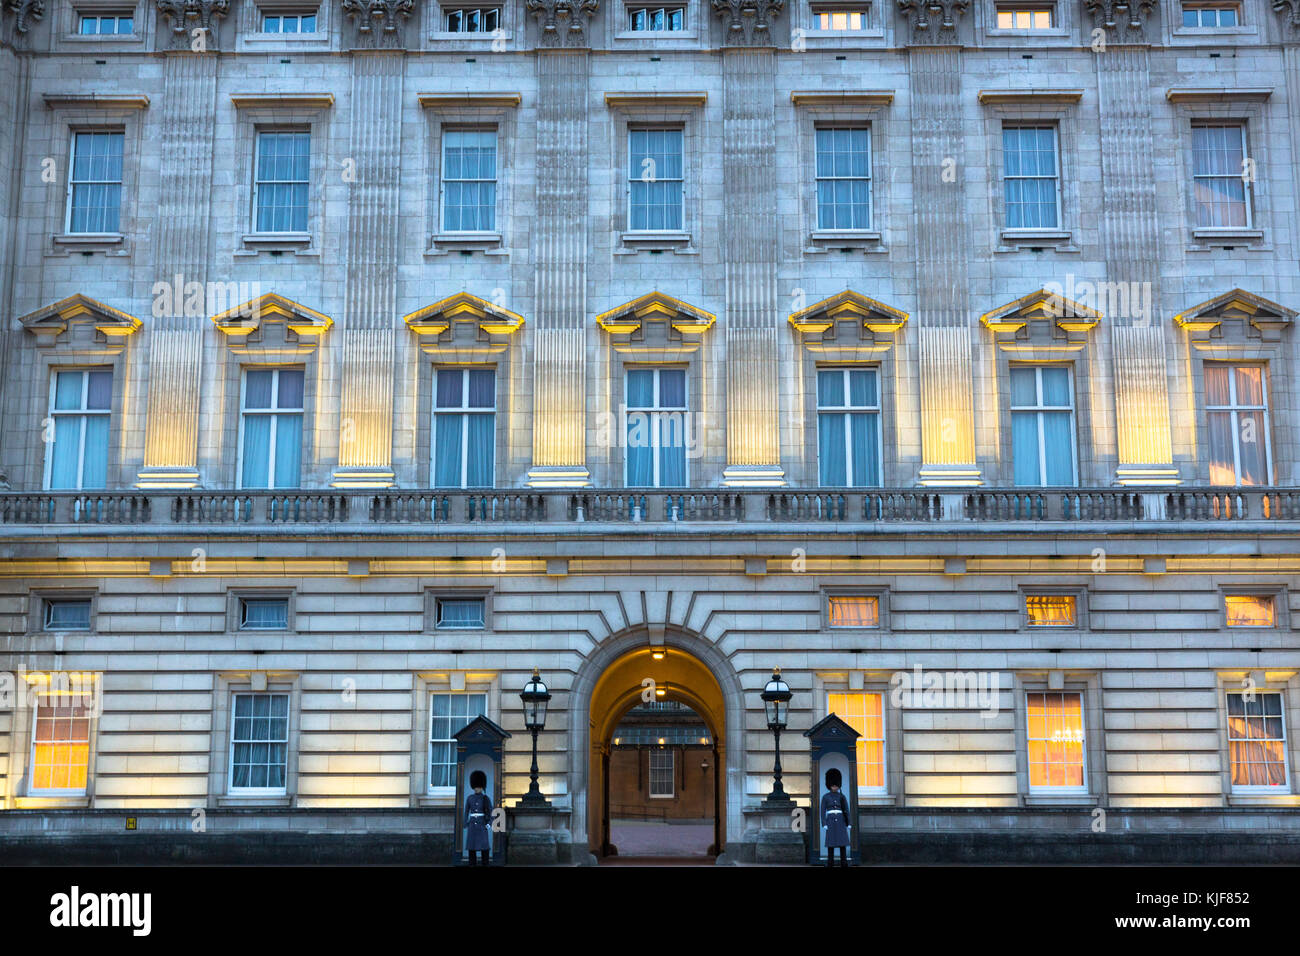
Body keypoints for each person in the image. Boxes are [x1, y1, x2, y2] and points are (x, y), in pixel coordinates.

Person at [821, 767, 851, 867]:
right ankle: (830, 862)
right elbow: (822, 811)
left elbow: (846, 809)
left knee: (842, 843)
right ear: (830, 786)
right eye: (833, 785)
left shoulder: (842, 797)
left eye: (836, 785)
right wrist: (824, 823)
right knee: (831, 844)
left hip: (841, 821)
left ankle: (844, 862)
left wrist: (849, 822)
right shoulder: (826, 797)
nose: (835, 787)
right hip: (830, 821)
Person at [465, 769, 493, 866]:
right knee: (471, 847)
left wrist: (489, 824)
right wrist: (465, 822)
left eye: (479, 786)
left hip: (482, 825)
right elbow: (466, 811)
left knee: (484, 847)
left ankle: (485, 864)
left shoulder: (485, 798)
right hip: (472, 825)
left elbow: (491, 812)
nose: (477, 788)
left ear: (482, 787)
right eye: (476, 786)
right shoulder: (470, 798)